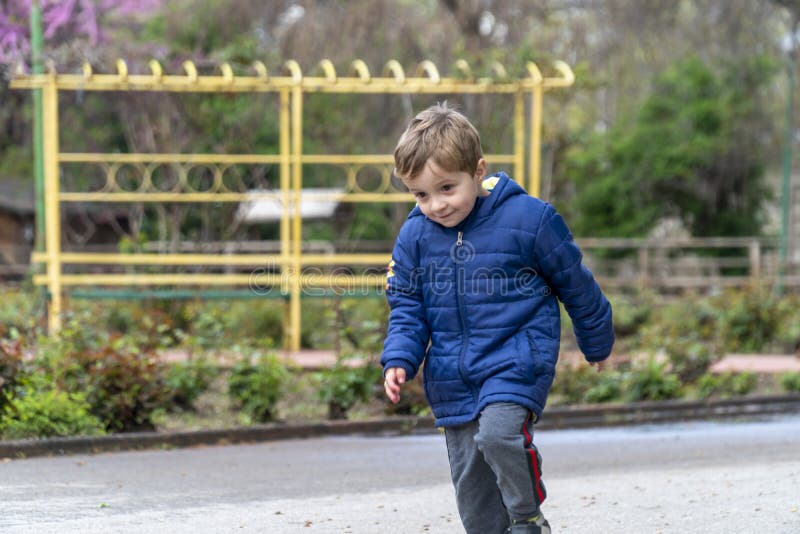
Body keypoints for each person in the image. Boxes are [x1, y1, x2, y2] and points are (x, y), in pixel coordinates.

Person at [381, 102, 614, 534]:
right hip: (452, 372)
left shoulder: (529, 220)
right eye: (421, 194)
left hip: (516, 359)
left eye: (447, 188)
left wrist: (596, 341)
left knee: (498, 436)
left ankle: (526, 515)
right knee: (473, 492)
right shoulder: (414, 235)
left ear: (478, 170)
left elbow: (575, 283)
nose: (435, 205)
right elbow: (408, 306)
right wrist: (400, 358)